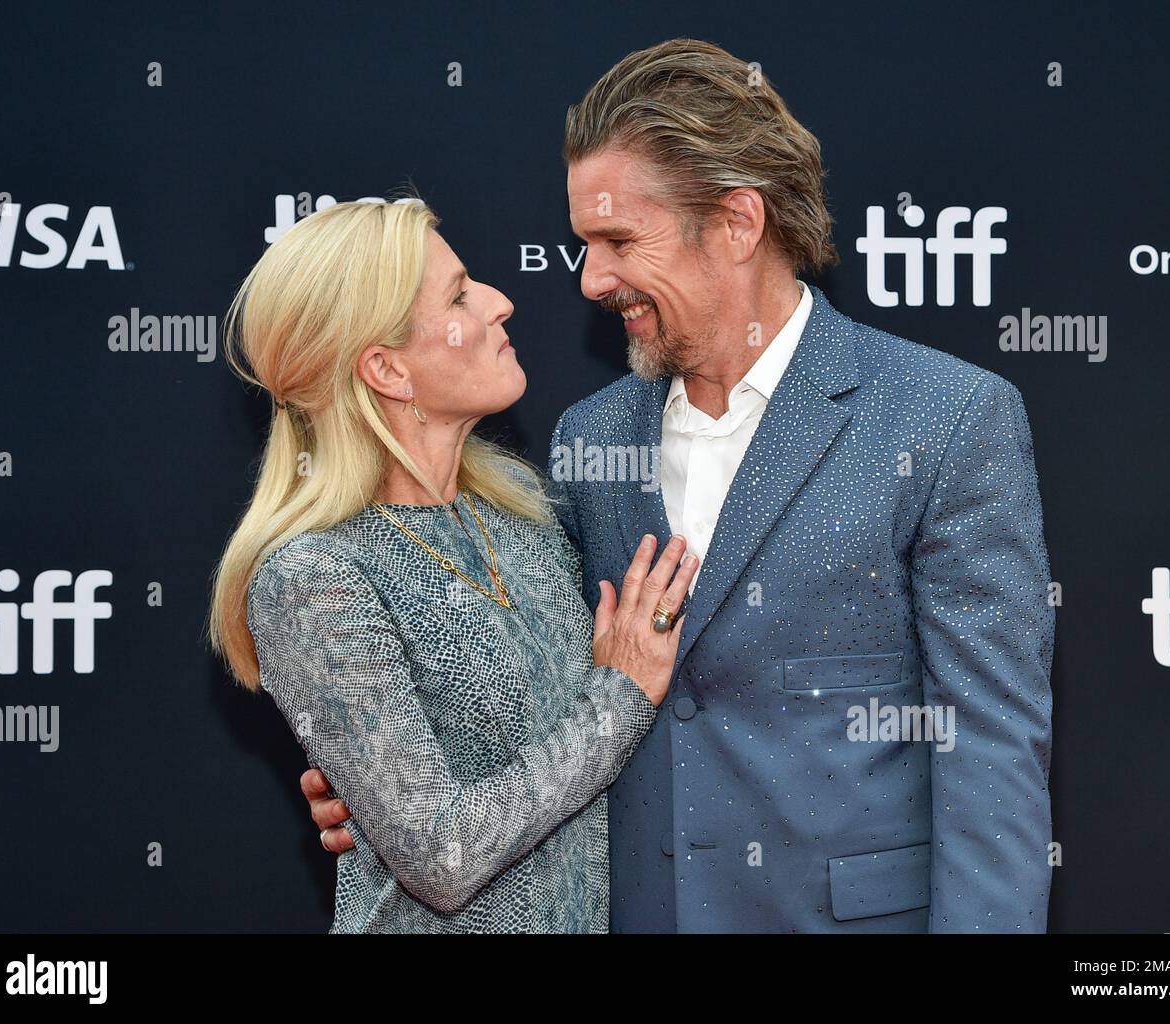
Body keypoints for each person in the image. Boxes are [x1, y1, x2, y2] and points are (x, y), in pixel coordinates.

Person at [307, 39, 1056, 933]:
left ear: (737, 222)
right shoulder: (589, 437)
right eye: (583, 245)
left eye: (620, 241)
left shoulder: (946, 417)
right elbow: (546, 689)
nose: (592, 280)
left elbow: (991, 752)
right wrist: (383, 775)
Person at [208, 196, 699, 933]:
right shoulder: (313, 577)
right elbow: (443, 856)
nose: (502, 303)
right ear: (386, 369)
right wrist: (621, 695)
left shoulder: (525, 514)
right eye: (461, 295)